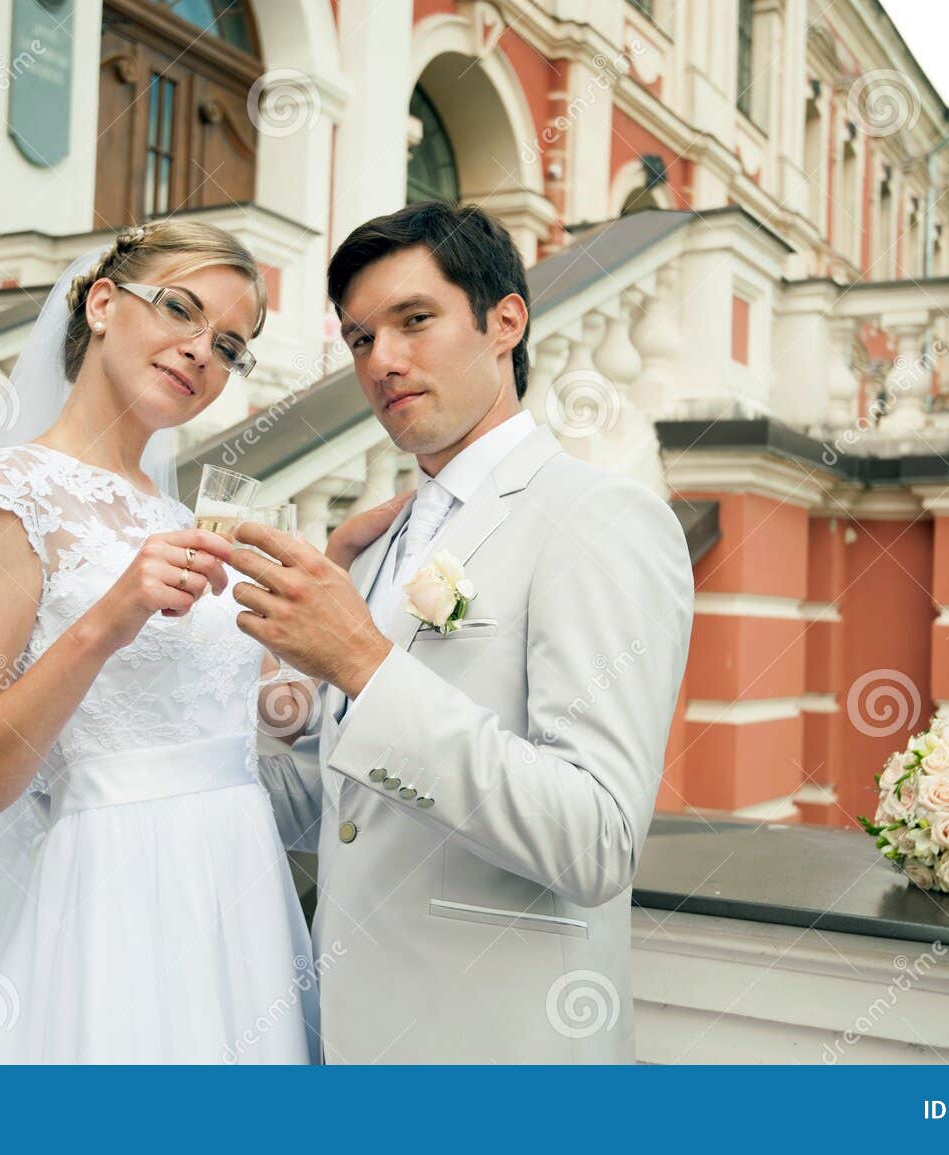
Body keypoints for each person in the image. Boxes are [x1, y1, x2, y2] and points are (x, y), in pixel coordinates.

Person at [0, 219, 402, 1063]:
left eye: (229, 344)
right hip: (112, 900)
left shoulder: (181, 522)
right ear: (103, 302)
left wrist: (328, 588)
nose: (200, 352)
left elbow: (257, 728)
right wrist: (106, 621)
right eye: (179, 309)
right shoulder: (8, 501)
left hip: (237, 892)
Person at [214, 201, 695, 1063]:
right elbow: (329, 811)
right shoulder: (372, 545)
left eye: (414, 320)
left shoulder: (598, 518)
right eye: (361, 339)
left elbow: (594, 839)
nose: (383, 362)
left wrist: (363, 661)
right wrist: (256, 674)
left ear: (504, 320)